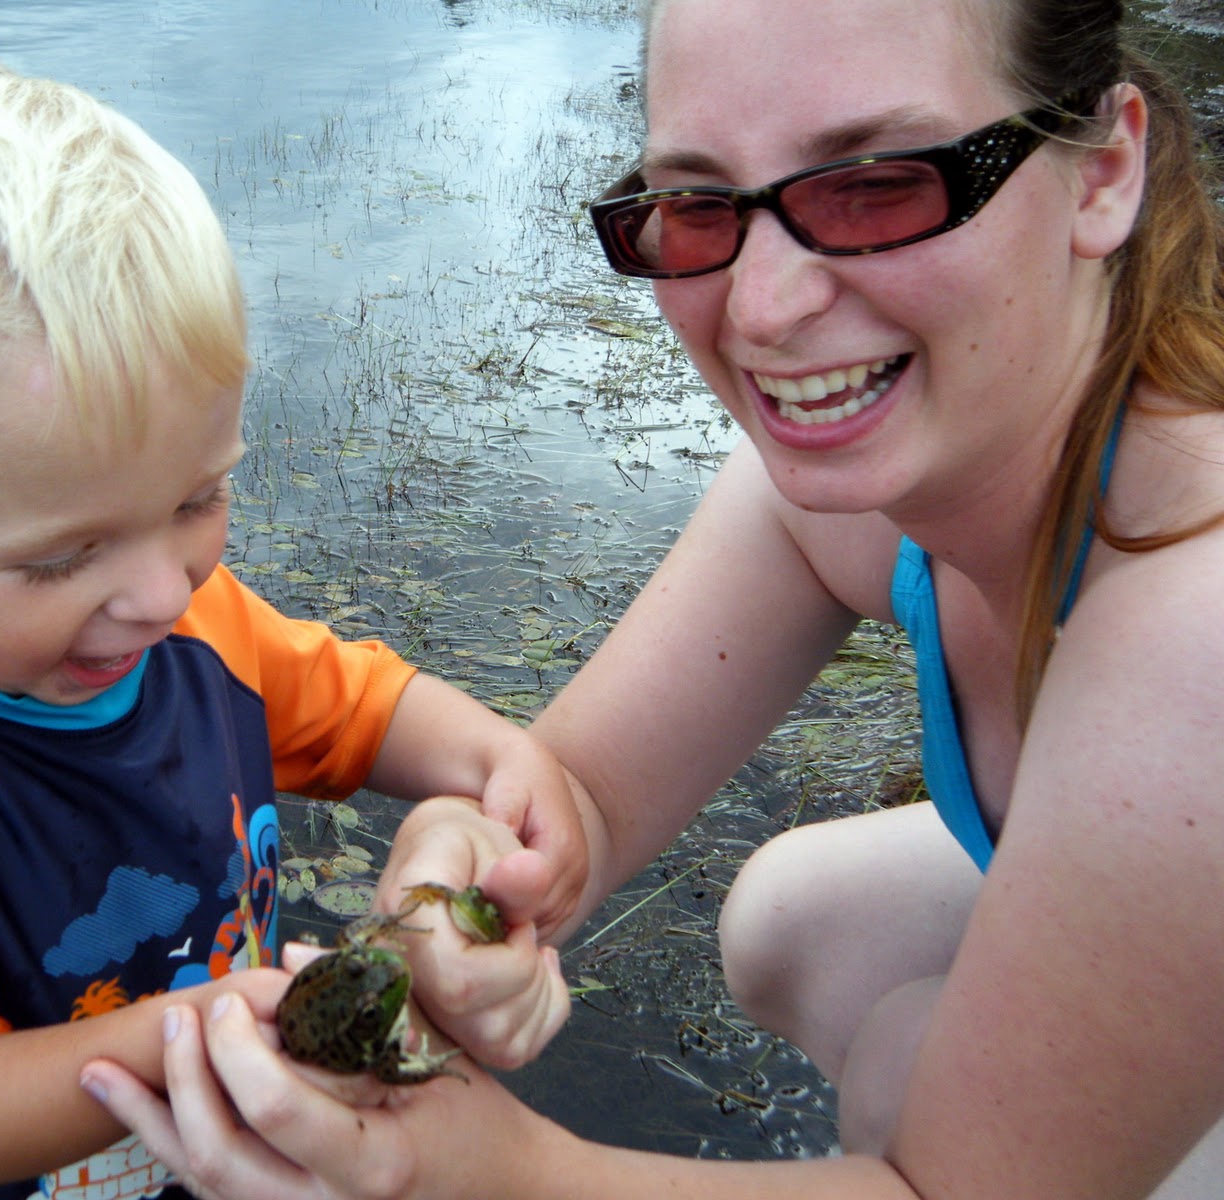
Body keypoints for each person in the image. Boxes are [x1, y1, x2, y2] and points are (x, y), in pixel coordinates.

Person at [75, 0, 1224, 1196]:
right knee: (794, 920)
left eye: (878, 185)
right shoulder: (856, 493)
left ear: (1101, 171)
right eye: (697, 207)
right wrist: (453, 867)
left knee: (912, 1087)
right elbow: (574, 795)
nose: (764, 308)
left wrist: (490, 1171)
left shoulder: (1193, 631)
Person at [0, 46, 582, 1200]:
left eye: (194, 500)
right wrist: (208, 1032)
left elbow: (368, 713)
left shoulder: (195, 624)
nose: (161, 596)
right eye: (61, 557)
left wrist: (505, 765)